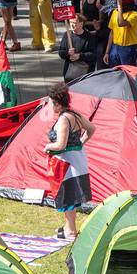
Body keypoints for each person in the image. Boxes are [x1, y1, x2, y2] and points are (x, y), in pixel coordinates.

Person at [42, 82, 95, 239]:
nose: (50, 106)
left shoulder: (64, 119)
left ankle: (71, 230)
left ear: (57, 104)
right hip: (76, 160)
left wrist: (47, 147)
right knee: (70, 195)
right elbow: (91, 129)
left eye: (51, 103)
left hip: (66, 164)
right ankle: (68, 226)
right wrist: (80, 144)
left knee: (68, 196)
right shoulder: (75, 115)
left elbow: (61, 144)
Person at [104, 0, 137, 67]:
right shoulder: (115, 12)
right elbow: (112, 32)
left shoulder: (134, 15)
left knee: (128, 73)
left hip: (128, 48)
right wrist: (107, 52)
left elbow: (121, 23)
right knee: (115, 73)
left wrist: (120, 6)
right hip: (115, 47)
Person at [58, 14, 98, 81]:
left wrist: (80, 56)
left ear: (81, 23)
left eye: (74, 23)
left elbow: (93, 55)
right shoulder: (67, 34)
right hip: (69, 73)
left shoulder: (89, 37)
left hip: (85, 74)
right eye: (70, 23)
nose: (72, 25)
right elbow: (61, 52)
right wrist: (68, 53)